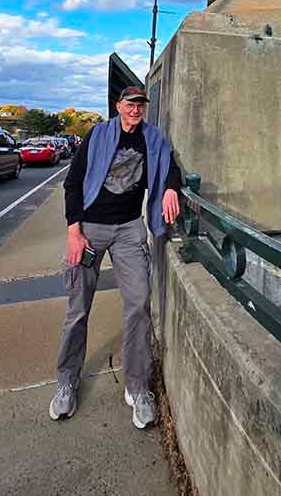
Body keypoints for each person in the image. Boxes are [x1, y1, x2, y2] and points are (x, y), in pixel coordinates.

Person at [49, 86, 181, 428]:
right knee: (78, 309)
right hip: (90, 228)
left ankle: (137, 387)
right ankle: (66, 380)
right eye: (129, 104)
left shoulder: (152, 138)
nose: (135, 110)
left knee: (139, 305)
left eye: (140, 105)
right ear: (118, 106)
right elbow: (73, 183)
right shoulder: (99, 134)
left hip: (129, 228)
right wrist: (73, 232)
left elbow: (171, 167)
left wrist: (169, 188)